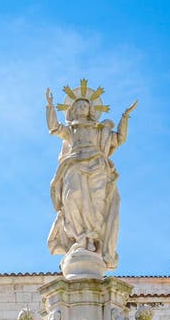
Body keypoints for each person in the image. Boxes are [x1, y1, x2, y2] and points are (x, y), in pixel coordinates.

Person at [46, 87, 137, 270]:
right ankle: (80, 238)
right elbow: (54, 128)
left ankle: (93, 240)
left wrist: (125, 117)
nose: (81, 108)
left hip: (97, 166)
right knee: (72, 198)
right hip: (74, 165)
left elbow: (118, 139)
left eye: (84, 105)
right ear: (72, 110)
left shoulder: (100, 130)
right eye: (77, 105)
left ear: (90, 110)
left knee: (97, 204)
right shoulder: (71, 129)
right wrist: (49, 107)